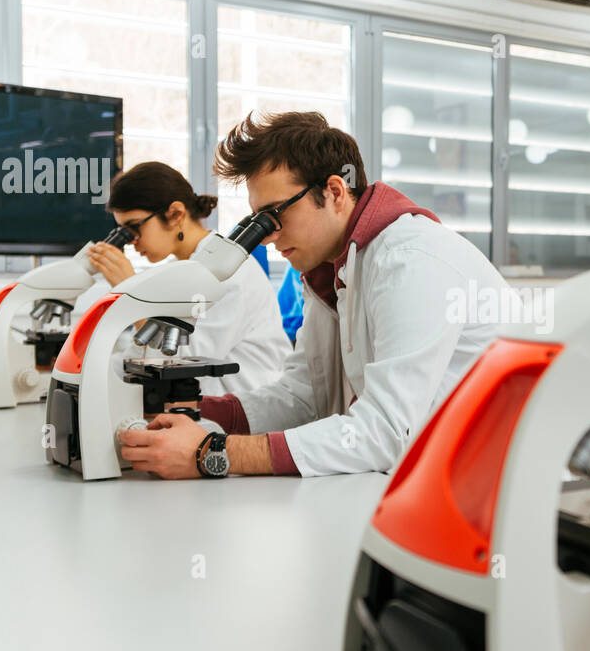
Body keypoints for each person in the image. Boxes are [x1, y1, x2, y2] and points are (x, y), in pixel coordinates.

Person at [118, 111, 511, 478]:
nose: (268, 236)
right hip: (421, 476)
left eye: (275, 214)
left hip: (483, 484)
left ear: (335, 191)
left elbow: (386, 433)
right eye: (258, 221)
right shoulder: (330, 272)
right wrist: (194, 413)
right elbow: (303, 398)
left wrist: (211, 453)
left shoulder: (410, 260)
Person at [79, 161, 290, 397]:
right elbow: (139, 352)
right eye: (123, 232)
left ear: (176, 214)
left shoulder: (229, 270)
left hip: (244, 411)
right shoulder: (176, 271)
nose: (130, 241)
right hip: (197, 405)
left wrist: (131, 294)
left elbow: (182, 360)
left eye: (133, 228)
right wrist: (83, 371)